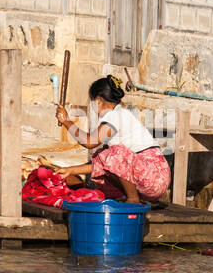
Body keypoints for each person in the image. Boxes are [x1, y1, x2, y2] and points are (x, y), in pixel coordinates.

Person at [50, 75, 171, 204]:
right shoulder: (120, 114)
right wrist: (70, 170)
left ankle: (133, 200)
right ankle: (129, 197)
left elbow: (89, 142)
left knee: (114, 153)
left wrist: (66, 121)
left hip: (154, 177)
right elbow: (101, 163)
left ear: (98, 101)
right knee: (101, 156)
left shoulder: (115, 115)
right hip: (152, 181)